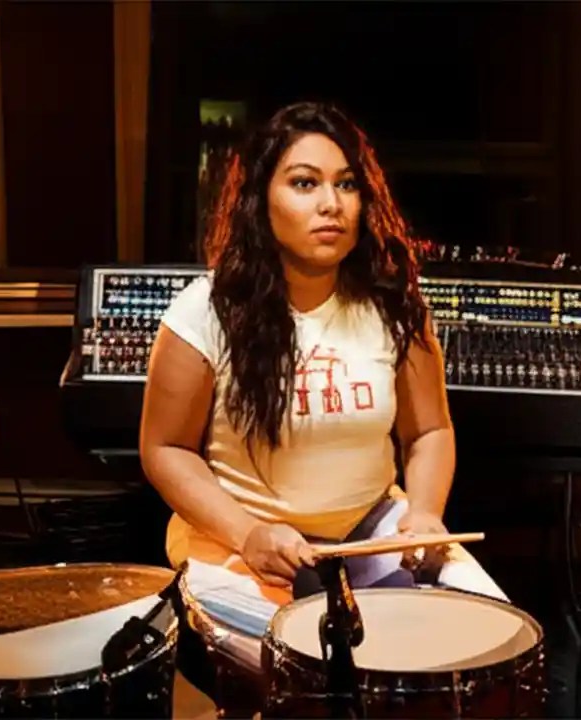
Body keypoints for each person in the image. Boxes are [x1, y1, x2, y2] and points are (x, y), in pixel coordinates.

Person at [139, 101, 504, 639]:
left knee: (483, 637)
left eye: (347, 184)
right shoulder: (204, 310)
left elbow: (429, 430)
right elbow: (165, 448)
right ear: (260, 199)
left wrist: (425, 515)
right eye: (305, 183)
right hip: (241, 542)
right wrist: (247, 533)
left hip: (371, 531)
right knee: (304, 657)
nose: (331, 204)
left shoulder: (394, 306)